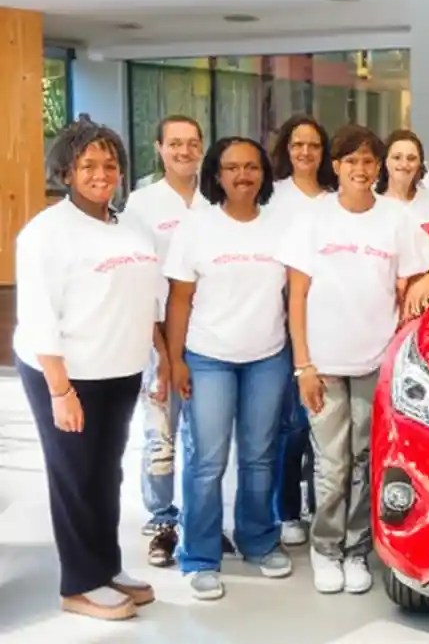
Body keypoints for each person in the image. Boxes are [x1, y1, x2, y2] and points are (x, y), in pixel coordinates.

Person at [278, 125, 429, 594]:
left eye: (368, 161)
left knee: (364, 460)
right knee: (331, 465)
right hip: (324, 363)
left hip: (376, 363)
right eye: (350, 160)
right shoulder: (312, 219)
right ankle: (325, 549)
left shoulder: (394, 219)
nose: (360, 169)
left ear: (378, 169)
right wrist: (303, 366)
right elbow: (296, 296)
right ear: (334, 167)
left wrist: (422, 282)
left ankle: (357, 550)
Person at [13, 119, 166, 621]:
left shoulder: (129, 224)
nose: (102, 174)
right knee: (75, 475)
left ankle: (107, 567)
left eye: (110, 164)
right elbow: (37, 317)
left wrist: (160, 359)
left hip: (119, 369)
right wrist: (60, 390)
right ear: (66, 170)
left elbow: (147, 297)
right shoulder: (46, 233)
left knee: (106, 473)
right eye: (88, 166)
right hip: (65, 372)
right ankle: (79, 583)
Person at [165, 137, 295, 600]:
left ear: (263, 174)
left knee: (260, 457)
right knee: (207, 462)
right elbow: (178, 300)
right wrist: (175, 359)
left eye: (252, 167)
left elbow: (291, 296)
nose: (243, 175)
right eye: (232, 167)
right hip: (209, 357)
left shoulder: (281, 227)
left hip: (268, 356)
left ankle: (258, 540)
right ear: (216, 175)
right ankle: (199, 555)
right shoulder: (196, 227)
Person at [118, 114, 215, 566]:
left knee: (204, 439)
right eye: (175, 143)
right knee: (162, 436)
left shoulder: (214, 200)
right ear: (159, 147)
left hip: (212, 336)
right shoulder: (141, 205)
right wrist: (160, 349)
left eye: (192, 143)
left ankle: (200, 522)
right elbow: (139, 280)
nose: (184, 151)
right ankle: (162, 521)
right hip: (158, 335)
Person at [267, 114, 333, 547]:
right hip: (286, 320)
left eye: (312, 145)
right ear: (286, 150)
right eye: (297, 144)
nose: (305, 152)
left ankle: (319, 506)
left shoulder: (335, 198)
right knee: (291, 425)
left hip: (333, 322)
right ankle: (287, 510)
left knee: (325, 425)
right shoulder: (274, 197)